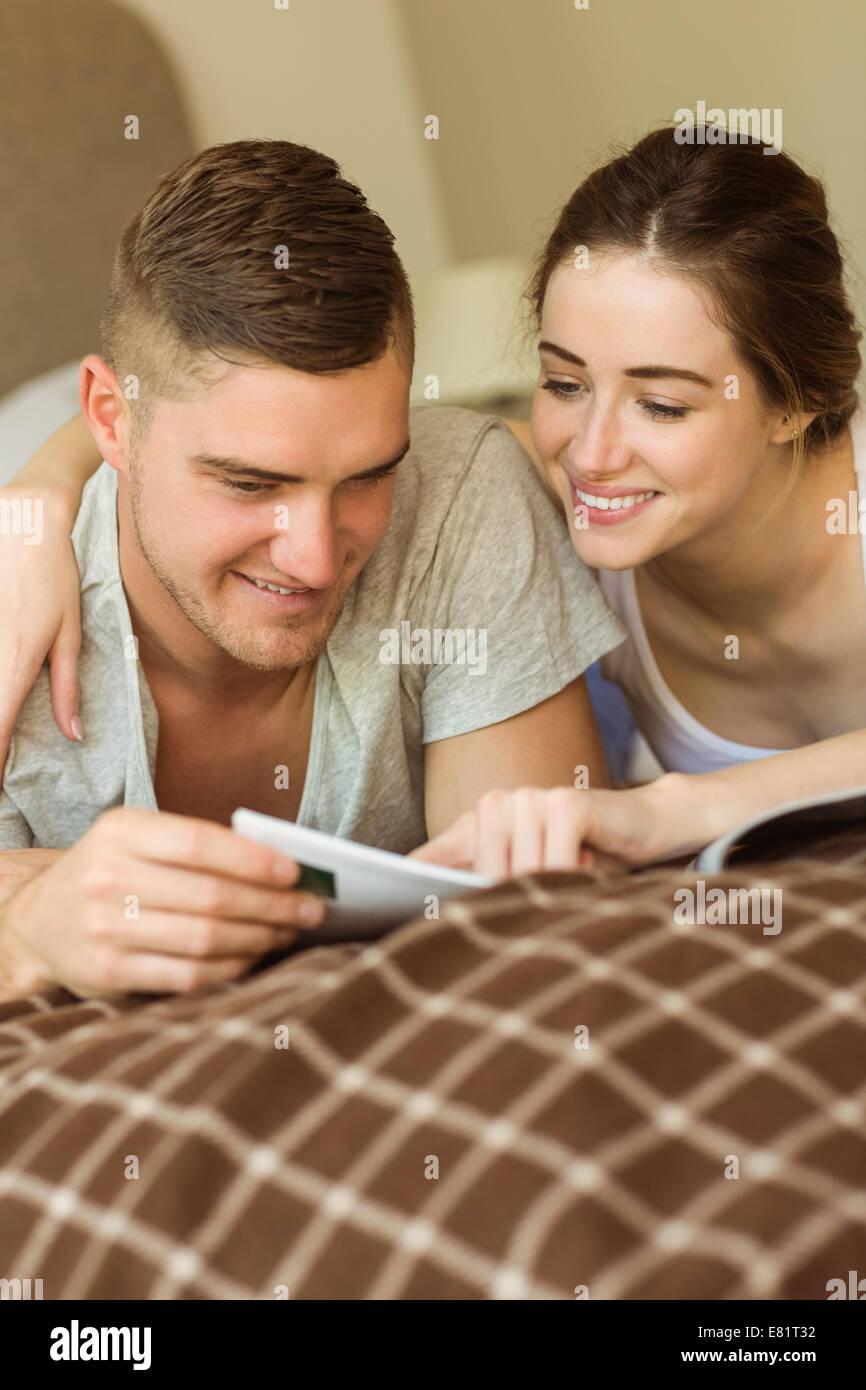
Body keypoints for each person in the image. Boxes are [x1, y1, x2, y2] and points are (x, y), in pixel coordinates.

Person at [0, 139, 624, 1001]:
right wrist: (26, 939)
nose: (317, 557)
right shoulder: (15, 608)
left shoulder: (457, 492)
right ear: (112, 419)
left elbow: (539, 938)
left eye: (368, 475)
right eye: (251, 483)